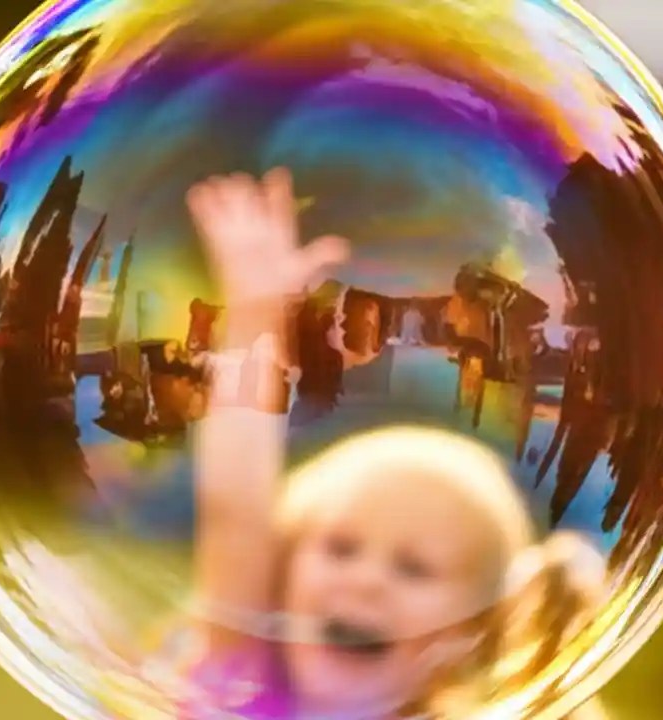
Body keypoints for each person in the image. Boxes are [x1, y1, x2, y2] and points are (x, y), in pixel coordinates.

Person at [178, 167, 610, 719]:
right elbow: (235, 511)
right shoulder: (241, 682)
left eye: (414, 568)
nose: (366, 580)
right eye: (339, 548)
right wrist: (255, 320)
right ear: (281, 561)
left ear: (477, 631)